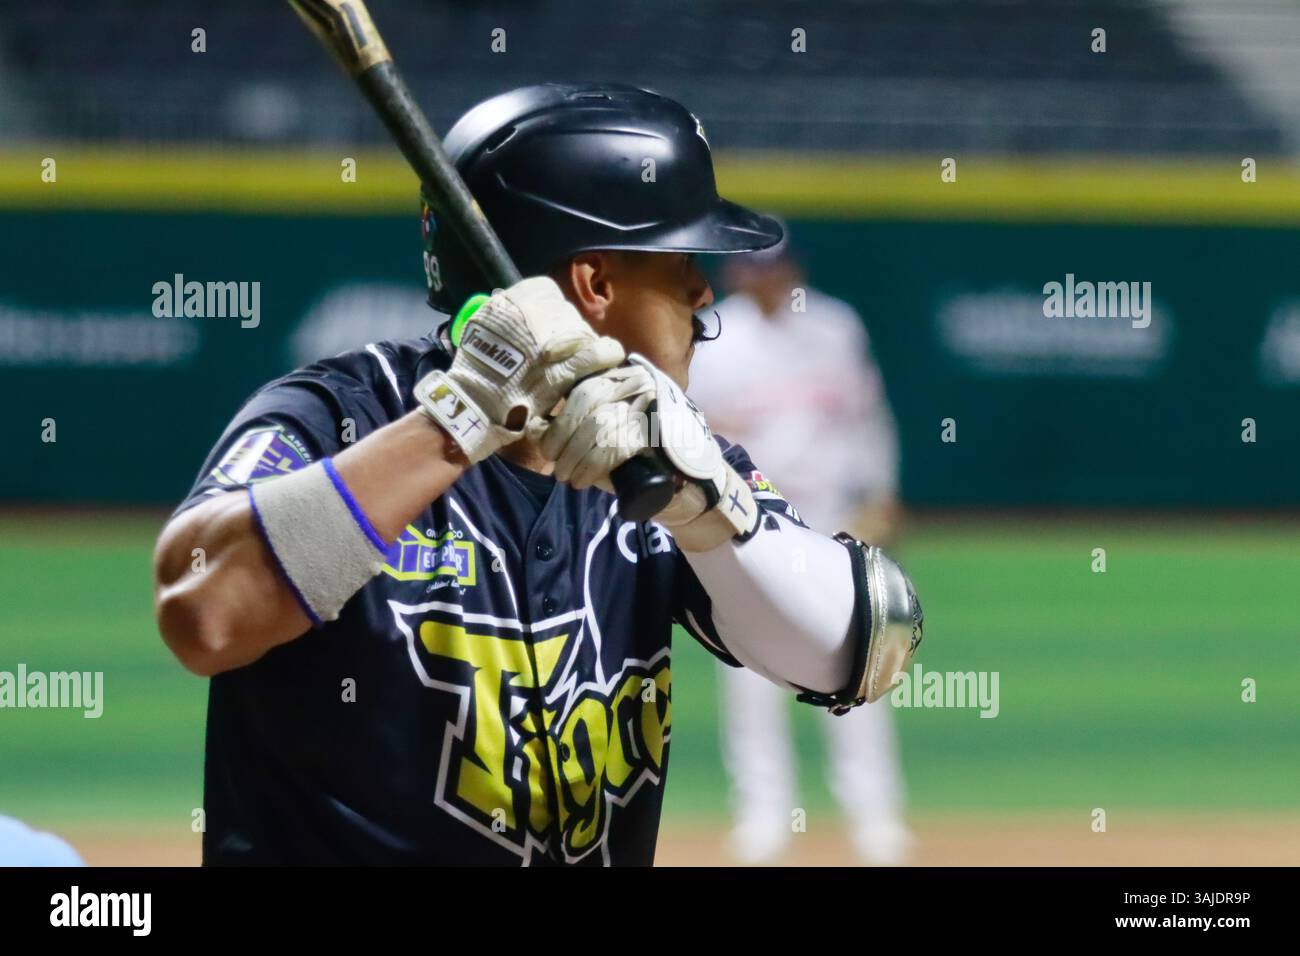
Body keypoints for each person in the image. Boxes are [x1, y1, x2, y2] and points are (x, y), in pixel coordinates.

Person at [152, 83, 923, 866]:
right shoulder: (340, 414)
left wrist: (710, 506)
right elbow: (204, 612)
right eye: (681, 260)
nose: (701, 293)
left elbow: (859, 652)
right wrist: (460, 419)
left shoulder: (672, 459)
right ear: (593, 284)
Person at [688, 230, 912, 864]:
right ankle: (764, 816)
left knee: (863, 660)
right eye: (756, 270)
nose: (767, 280)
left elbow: (868, 415)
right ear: (737, 275)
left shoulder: (836, 326)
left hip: (832, 516)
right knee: (750, 670)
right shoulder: (714, 336)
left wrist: (882, 488)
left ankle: (875, 817)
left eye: (776, 269)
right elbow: (684, 424)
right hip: (748, 521)